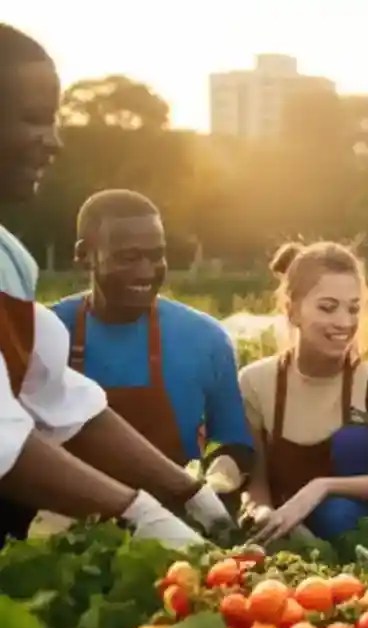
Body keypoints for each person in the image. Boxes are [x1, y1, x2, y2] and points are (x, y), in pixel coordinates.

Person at [0, 23, 216, 548]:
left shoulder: (9, 259)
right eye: (33, 120)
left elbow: (58, 396)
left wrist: (187, 493)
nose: (54, 141)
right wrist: (139, 511)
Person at [49, 189, 252, 490]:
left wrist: (213, 485)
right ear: (84, 255)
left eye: (156, 256)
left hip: (176, 516)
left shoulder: (206, 339)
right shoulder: (45, 332)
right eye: (128, 258)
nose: (145, 272)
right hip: (62, 517)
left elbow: (234, 444)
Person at [237, 241, 368, 546]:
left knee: (337, 508)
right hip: (293, 546)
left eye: (353, 308)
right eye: (328, 307)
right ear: (292, 310)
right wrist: (261, 514)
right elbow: (255, 485)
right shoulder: (256, 383)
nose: (344, 322)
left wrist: (321, 487)